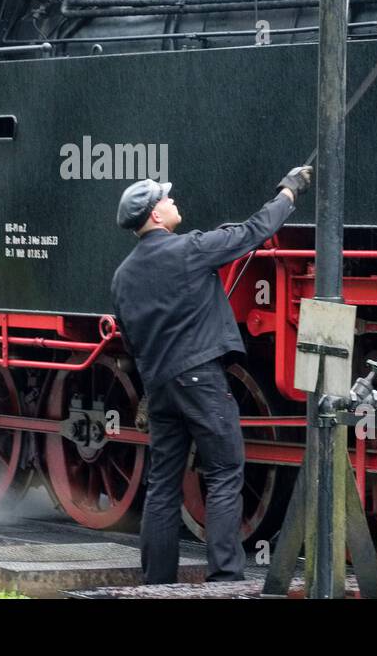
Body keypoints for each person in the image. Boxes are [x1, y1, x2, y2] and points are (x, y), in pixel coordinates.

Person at [110, 165, 313, 584]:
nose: (172, 200)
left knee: (163, 484)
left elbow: (130, 342)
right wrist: (289, 192)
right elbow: (253, 231)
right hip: (201, 379)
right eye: (165, 198)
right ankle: (224, 577)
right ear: (154, 216)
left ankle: (158, 583)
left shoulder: (122, 277)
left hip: (160, 387)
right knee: (224, 471)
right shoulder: (191, 250)